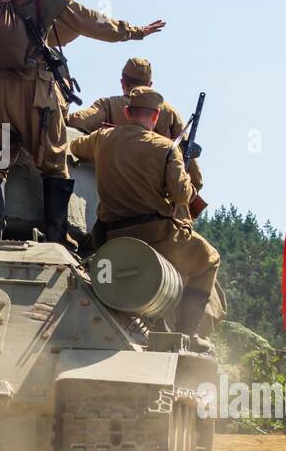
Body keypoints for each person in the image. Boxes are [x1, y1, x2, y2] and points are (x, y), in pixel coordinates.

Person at [0, 0, 164, 243]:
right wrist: (134, 32)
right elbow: (90, 21)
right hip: (35, 92)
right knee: (55, 162)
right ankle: (56, 237)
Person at [70, 86, 220, 342]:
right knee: (209, 260)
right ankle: (187, 331)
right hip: (157, 237)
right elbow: (183, 196)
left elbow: (75, 146)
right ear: (156, 116)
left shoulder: (102, 139)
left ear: (128, 112)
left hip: (109, 236)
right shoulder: (166, 149)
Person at [67, 54, 204, 197]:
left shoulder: (108, 105)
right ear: (150, 85)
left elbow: (78, 121)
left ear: (122, 82)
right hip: (158, 201)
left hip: (113, 196)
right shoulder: (170, 113)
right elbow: (195, 177)